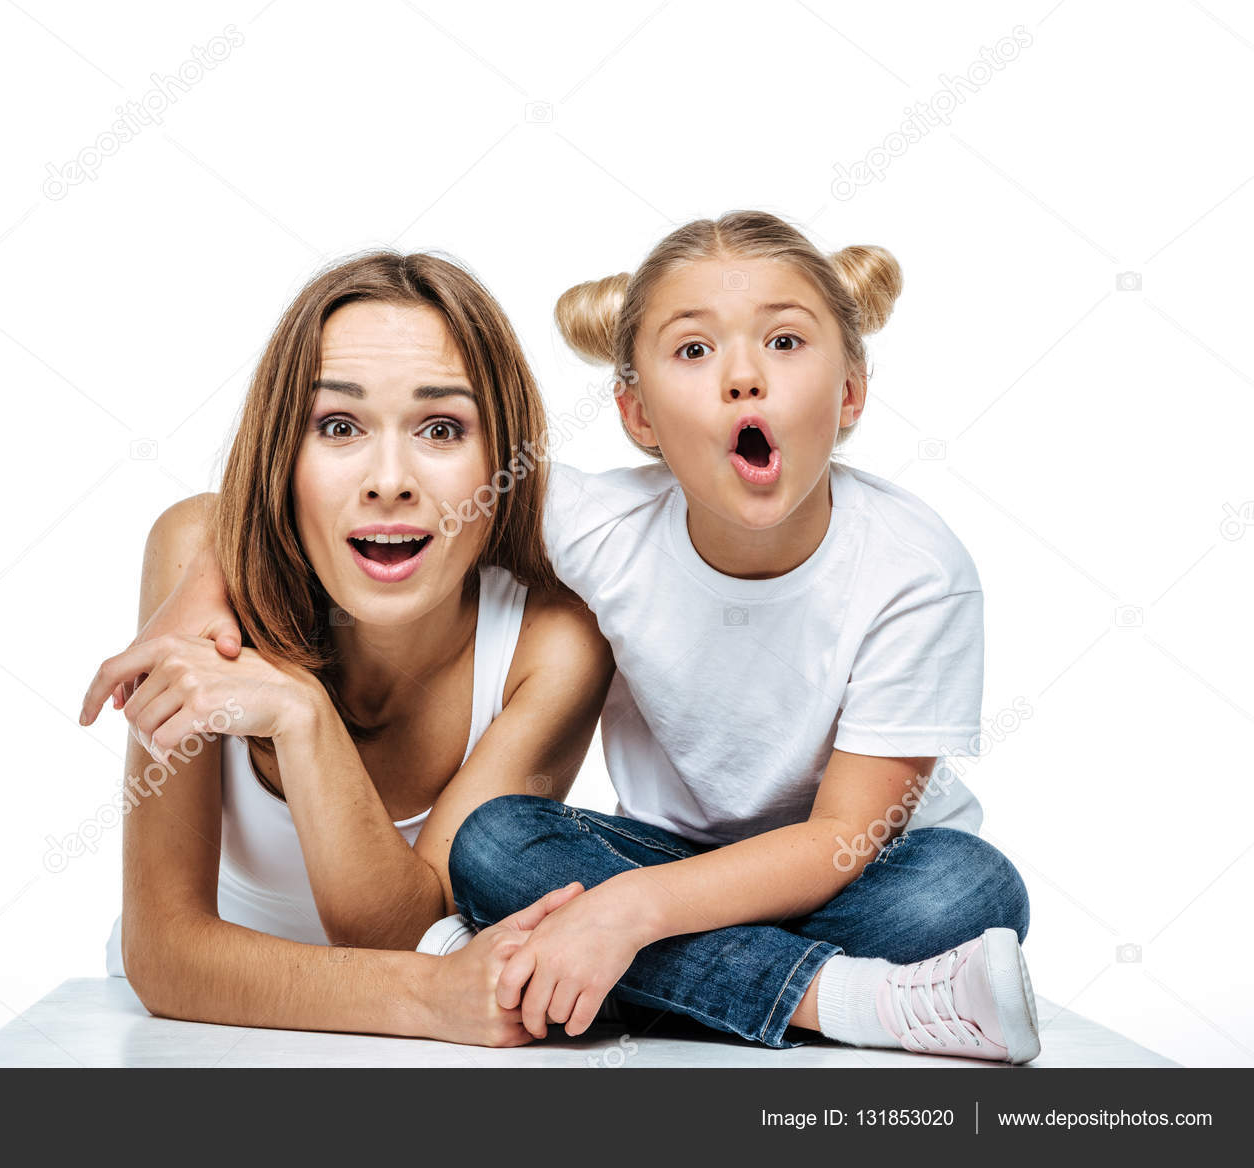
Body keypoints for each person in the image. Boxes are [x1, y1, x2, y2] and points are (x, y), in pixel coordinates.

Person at [136, 212, 1041, 1064]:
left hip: (852, 872)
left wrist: (628, 914)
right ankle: (843, 1000)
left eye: (785, 341)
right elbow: (260, 504)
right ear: (636, 414)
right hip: (660, 859)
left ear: (851, 393)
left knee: (970, 891)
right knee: (498, 847)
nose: (742, 378)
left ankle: (578, 975)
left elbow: (844, 837)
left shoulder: (916, 568)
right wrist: (198, 580)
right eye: (693, 349)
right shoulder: (597, 526)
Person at [78, 251, 614, 1047]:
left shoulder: (556, 645)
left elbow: (412, 932)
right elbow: (162, 952)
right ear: (283, 456)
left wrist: (303, 720)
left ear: (502, 461)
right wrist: (432, 996)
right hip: (204, 1043)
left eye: (441, 428)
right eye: (338, 426)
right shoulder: (196, 549)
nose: (389, 479)